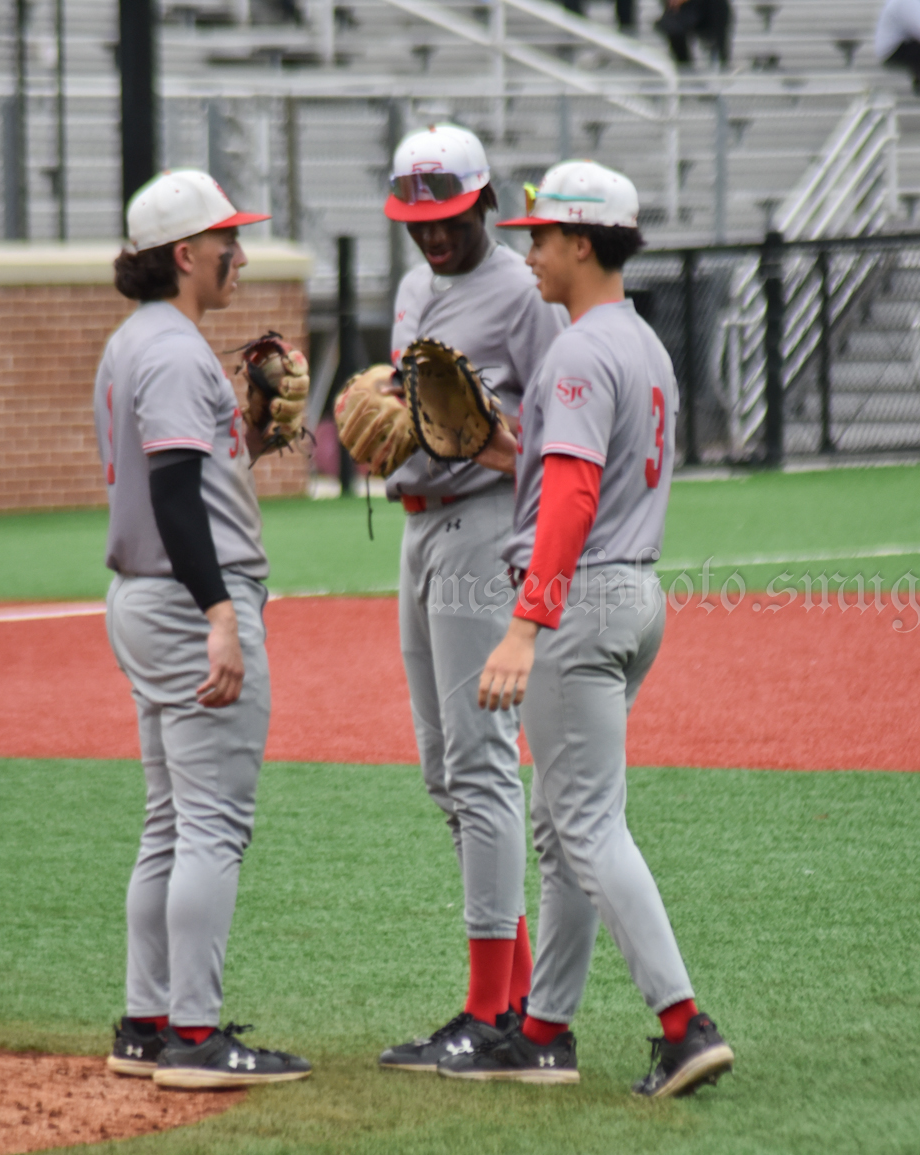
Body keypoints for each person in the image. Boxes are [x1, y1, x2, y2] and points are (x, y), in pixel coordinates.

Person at [438, 161, 735, 1099]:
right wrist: (502, 446)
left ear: (581, 241)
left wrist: (526, 625)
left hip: (579, 601)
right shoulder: (641, 343)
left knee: (589, 824)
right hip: (634, 594)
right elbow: (573, 470)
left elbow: (570, 497)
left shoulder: (574, 353)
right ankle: (543, 1030)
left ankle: (683, 1024)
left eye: (541, 236)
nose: (529, 250)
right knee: (565, 826)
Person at [96, 168, 312, 1091]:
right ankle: (194, 1034)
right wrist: (221, 613)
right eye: (228, 242)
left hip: (145, 600)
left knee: (171, 821)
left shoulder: (134, 341)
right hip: (190, 605)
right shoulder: (179, 355)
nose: (242, 255)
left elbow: (190, 474)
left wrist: (251, 438)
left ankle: (147, 1023)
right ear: (184, 254)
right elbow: (177, 499)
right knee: (212, 826)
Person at [373, 124, 568, 1072]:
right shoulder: (414, 288)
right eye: (419, 220)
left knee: (481, 765)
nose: (433, 233)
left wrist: (485, 437)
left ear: (484, 201)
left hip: (485, 528)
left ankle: (489, 1012)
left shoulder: (525, 297)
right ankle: (513, 998)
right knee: (443, 772)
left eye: (449, 215)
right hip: (419, 530)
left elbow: (562, 440)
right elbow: (413, 409)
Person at [658, 0, 734, 70]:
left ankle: (719, 57)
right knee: (673, 26)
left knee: (717, 9)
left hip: (710, 8)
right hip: (683, 9)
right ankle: (683, 64)